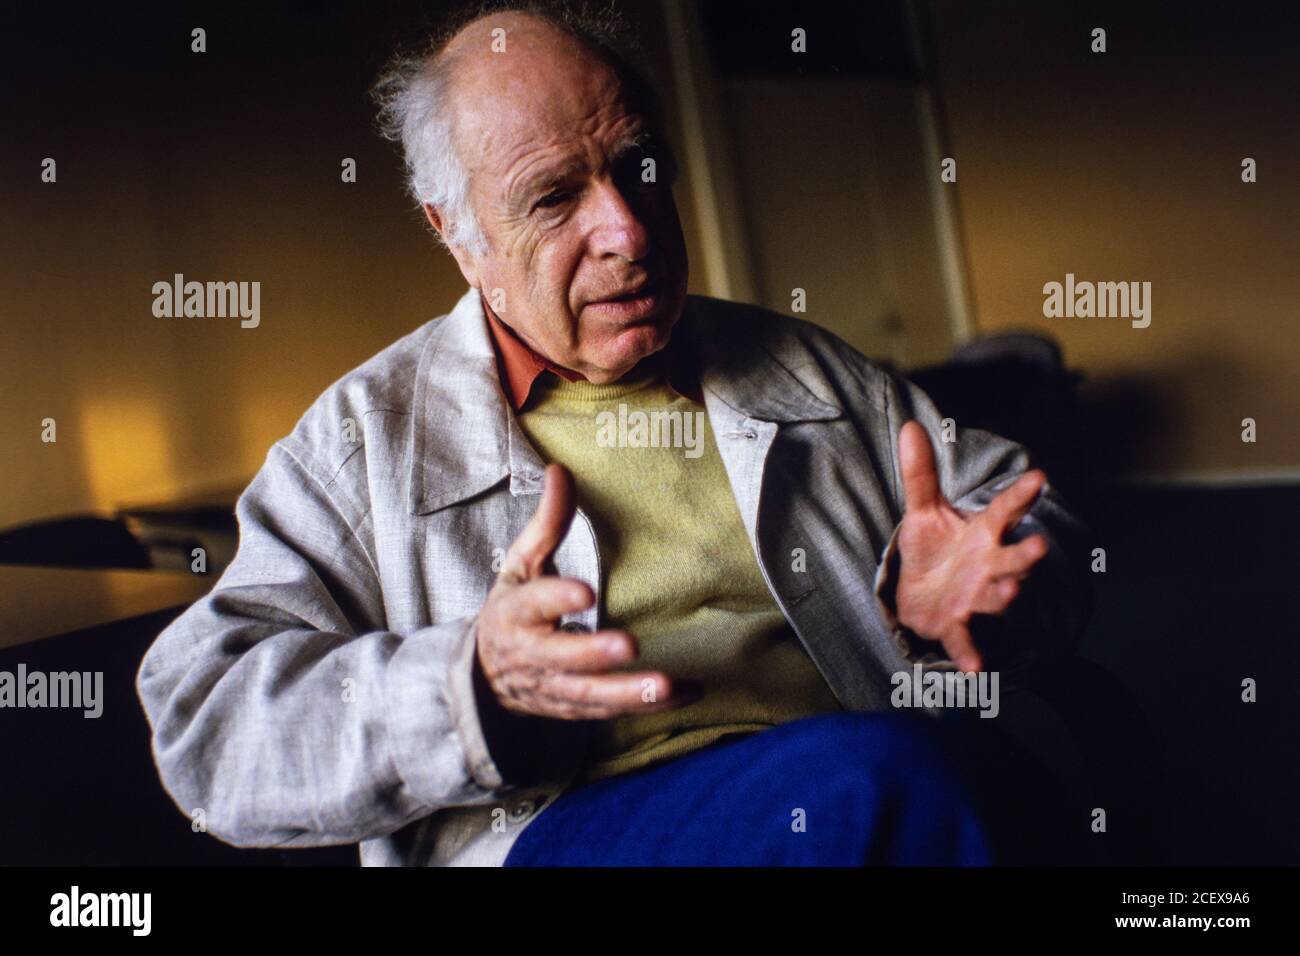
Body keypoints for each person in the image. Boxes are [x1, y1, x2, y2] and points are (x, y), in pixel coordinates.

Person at [137, 1, 1090, 866]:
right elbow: (204, 725)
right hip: (576, 827)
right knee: (891, 785)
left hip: (865, 778)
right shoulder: (361, 441)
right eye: (554, 197)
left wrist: (998, 580)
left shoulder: (806, 365)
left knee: (1015, 776)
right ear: (456, 235)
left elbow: (1018, 511)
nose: (628, 230)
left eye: (639, 169)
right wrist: (469, 684)